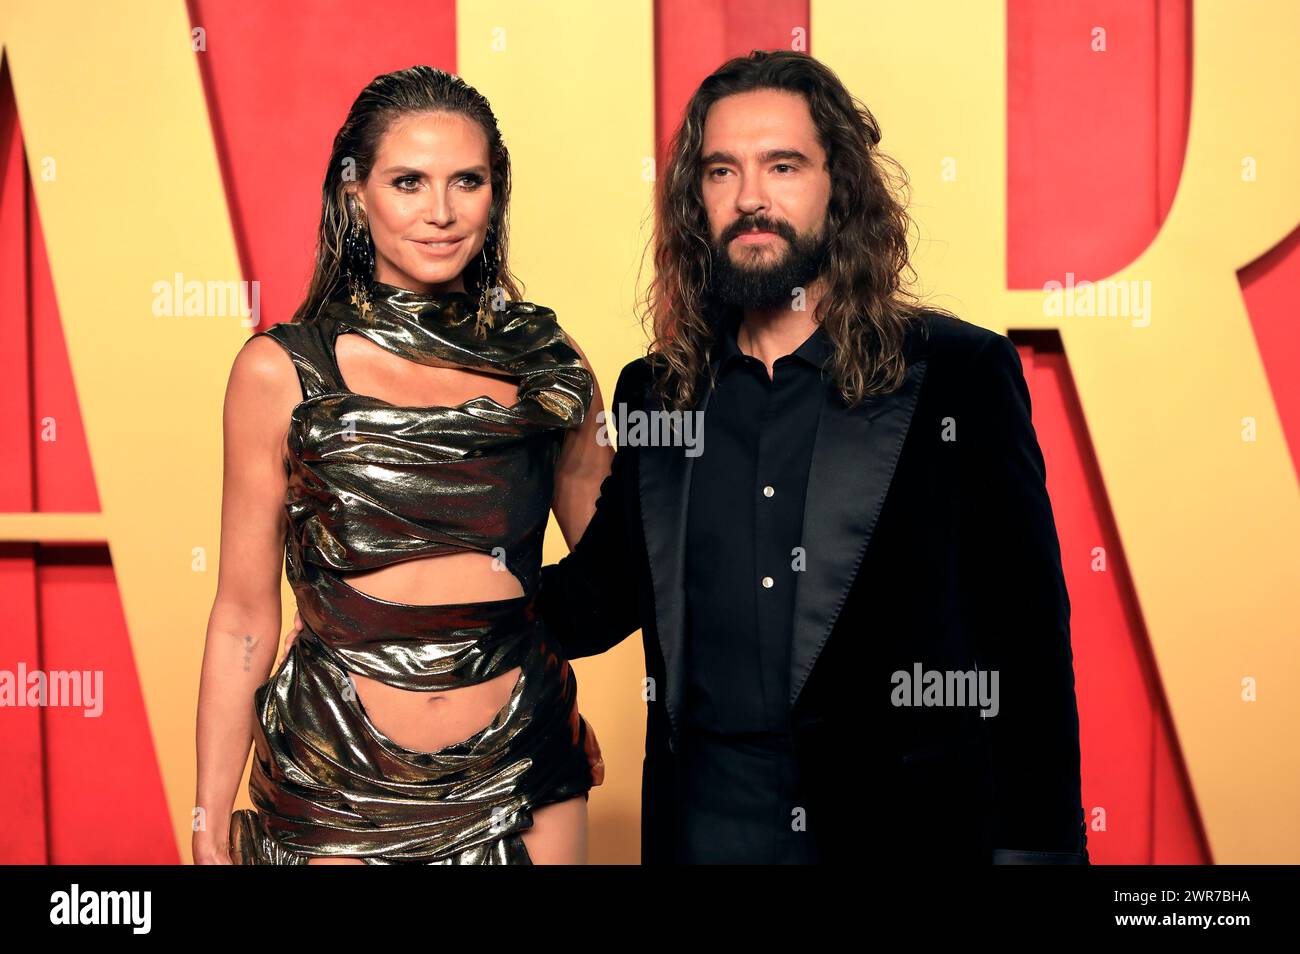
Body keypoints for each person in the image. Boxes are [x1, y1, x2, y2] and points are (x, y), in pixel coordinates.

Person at [535, 50, 1090, 864]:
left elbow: (1027, 643)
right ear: (697, 200)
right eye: (722, 172)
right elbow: (594, 603)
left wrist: (1042, 855)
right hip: (703, 832)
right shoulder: (655, 392)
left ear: (842, 188)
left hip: (902, 839)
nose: (751, 197)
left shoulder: (959, 377)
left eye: (783, 165)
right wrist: (384, 610)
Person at [193, 65, 610, 865]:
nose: (442, 212)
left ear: (497, 192)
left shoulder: (549, 364)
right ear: (356, 195)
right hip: (334, 775)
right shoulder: (280, 371)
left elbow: (617, 569)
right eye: (409, 182)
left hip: (524, 769)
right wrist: (208, 816)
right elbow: (245, 613)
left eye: (468, 181)